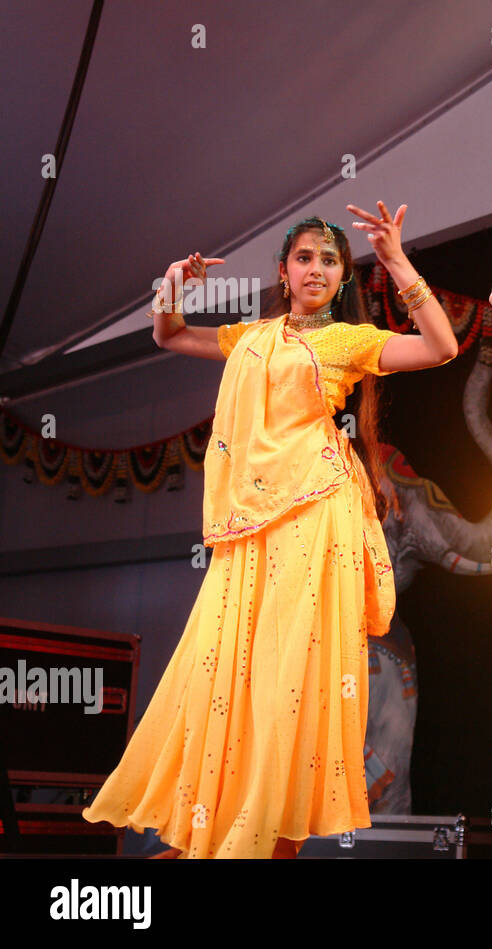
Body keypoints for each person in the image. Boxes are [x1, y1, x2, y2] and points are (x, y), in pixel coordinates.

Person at [82, 203, 458, 858]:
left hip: (316, 518)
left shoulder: (347, 342)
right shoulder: (251, 338)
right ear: (284, 271)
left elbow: (441, 346)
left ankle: (267, 835)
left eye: (330, 260)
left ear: (343, 278)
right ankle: (218, 830)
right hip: (250, 526)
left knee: (293, 677)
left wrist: (395, 260)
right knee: (229, 671)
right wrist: (173, 286)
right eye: (304, 257)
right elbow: (168, 334)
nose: (316, 268)